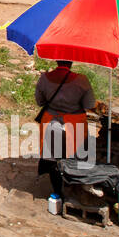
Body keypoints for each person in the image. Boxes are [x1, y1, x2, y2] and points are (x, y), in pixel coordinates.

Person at [34, 60, 97, 194]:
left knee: (52, 158)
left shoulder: (44, 79)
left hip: (51, 122)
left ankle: (57, 190)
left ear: (56, 60)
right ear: (71, 62)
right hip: (74, 124)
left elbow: (40, 102)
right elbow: (89, 104)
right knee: (75, 157)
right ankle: (72, 187)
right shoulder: (82, 81)